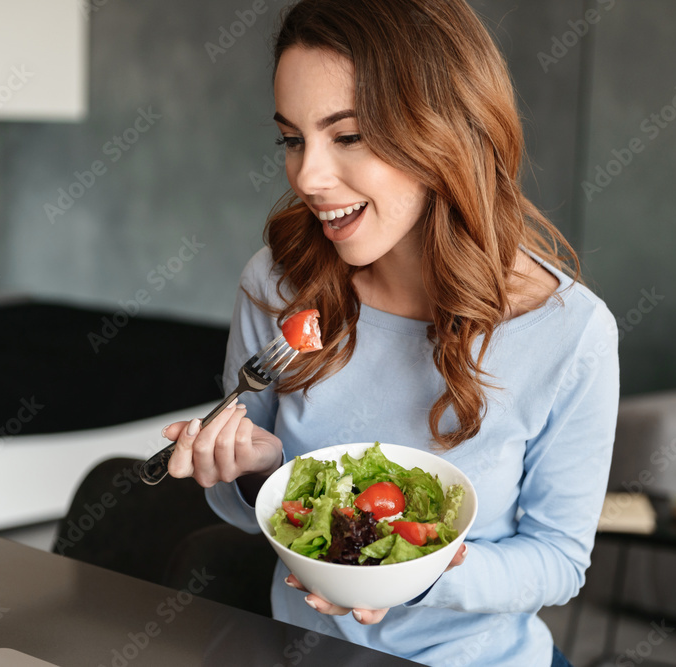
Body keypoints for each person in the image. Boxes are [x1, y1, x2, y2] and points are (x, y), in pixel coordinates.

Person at [162, 1, 619, 665]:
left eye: (347, 136)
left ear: (444, 130)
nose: (308, 177)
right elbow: (248, 508)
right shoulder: (278, 284)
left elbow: (558, 560)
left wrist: (418, 576)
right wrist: (254, 471)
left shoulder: (571, 332)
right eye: (293, 138)